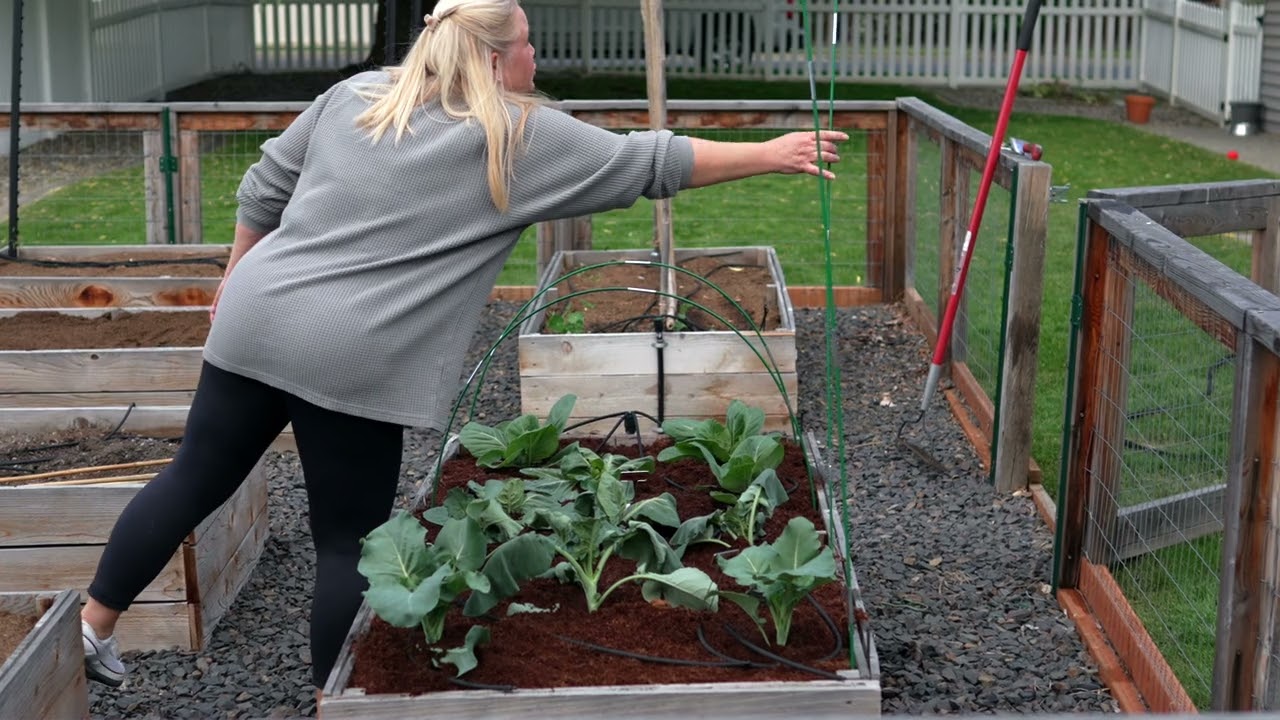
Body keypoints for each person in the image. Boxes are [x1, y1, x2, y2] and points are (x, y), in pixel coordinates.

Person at [78, 0, 848, 692]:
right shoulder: (515, 136)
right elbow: (650, 162)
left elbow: (264, 186)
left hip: (253, 315)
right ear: (493, 57)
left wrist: (233, 282)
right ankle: (329, 706)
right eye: (527, 42)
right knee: (346, 543)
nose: (535, 55)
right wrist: (771, 153)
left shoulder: (358, 95)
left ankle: (91, 627)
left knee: (194, 477)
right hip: (351, 351)